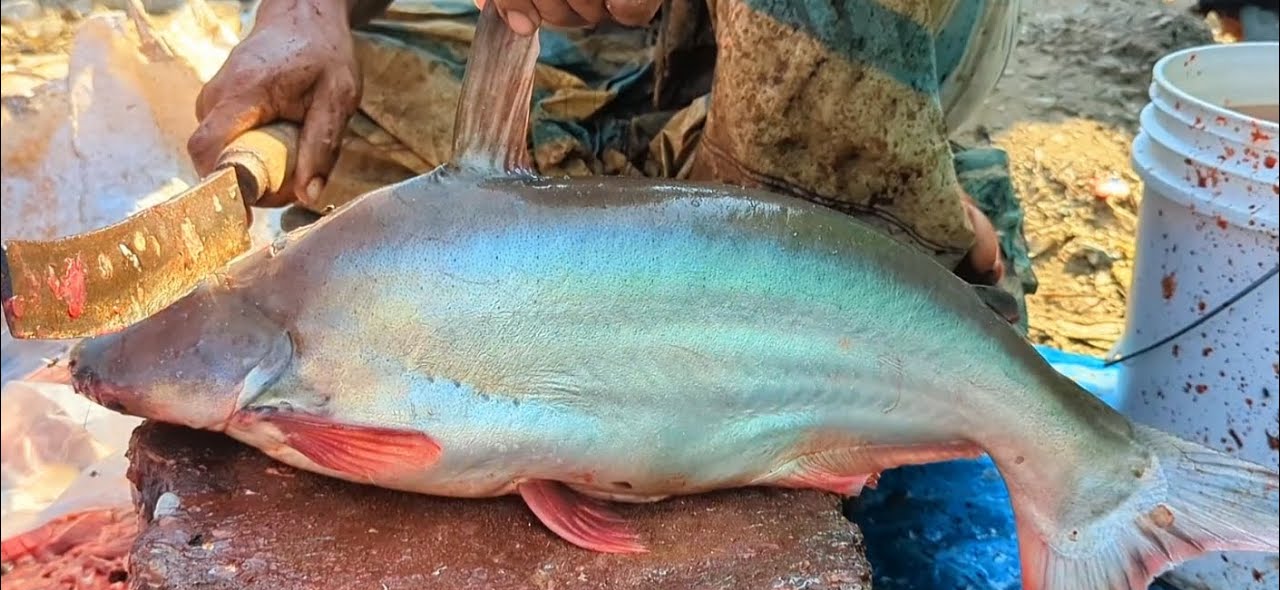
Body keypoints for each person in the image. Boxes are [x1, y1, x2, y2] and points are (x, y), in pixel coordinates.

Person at [188, 0, 1035, 323]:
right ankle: (658, 167)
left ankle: (899, 209)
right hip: (616, 37)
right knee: (357, 114)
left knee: (802, 278)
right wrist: (304, 12)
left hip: (829, 23)